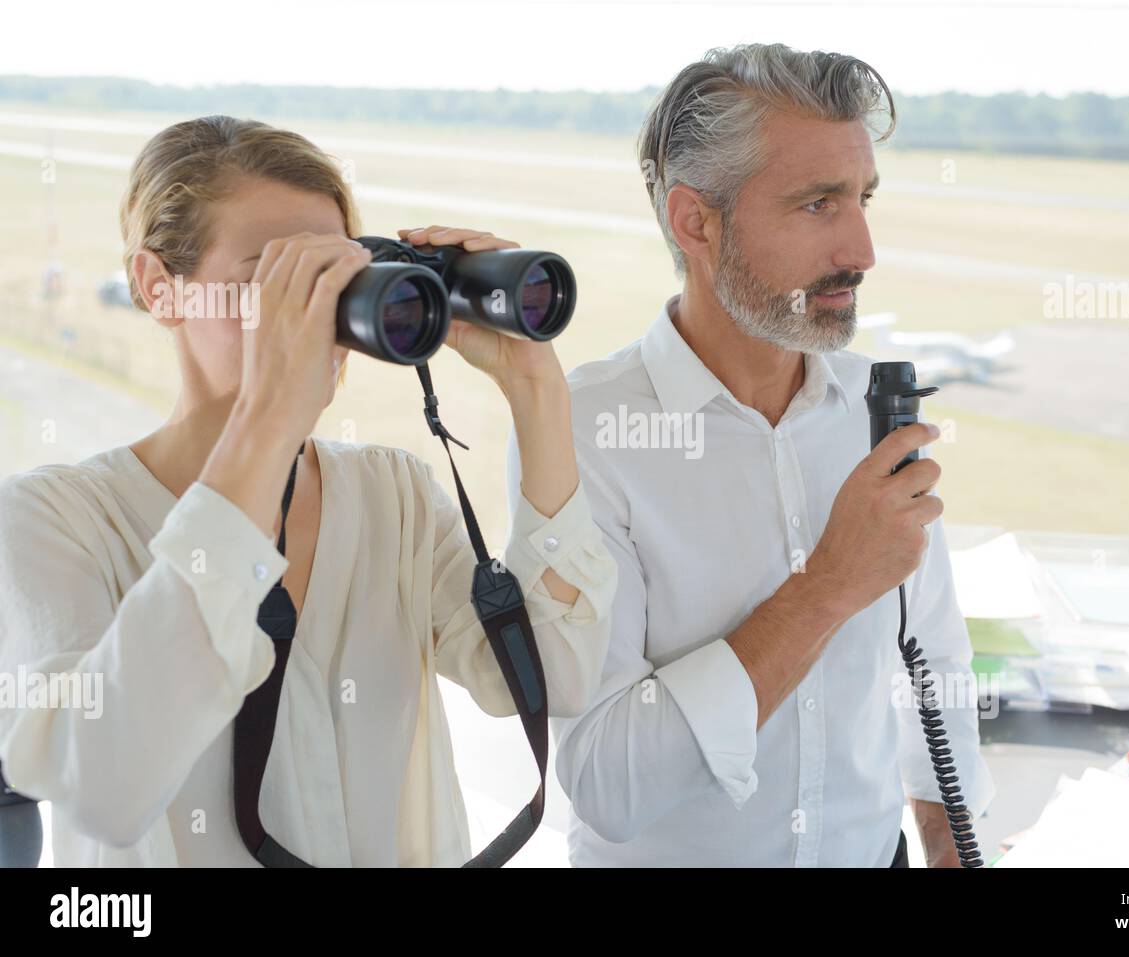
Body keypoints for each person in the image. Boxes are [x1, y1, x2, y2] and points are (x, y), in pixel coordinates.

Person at [0, 116, 617, 866]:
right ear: (158, 288)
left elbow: (557, 676)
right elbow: (106, 783)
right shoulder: (51, 519)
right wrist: (268, 422)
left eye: (336, 281)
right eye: (274, 281)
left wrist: (536, 392)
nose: (313, 318)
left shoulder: (395, 496)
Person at [532, 43, 995, 867]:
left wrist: (948, 843)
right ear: (694, 221)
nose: (862, 249)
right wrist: (828, 587)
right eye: (819, 204)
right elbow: (606, 782)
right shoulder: (583, 432)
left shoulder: (872, 409)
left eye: (862, 199)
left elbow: (936, 659)